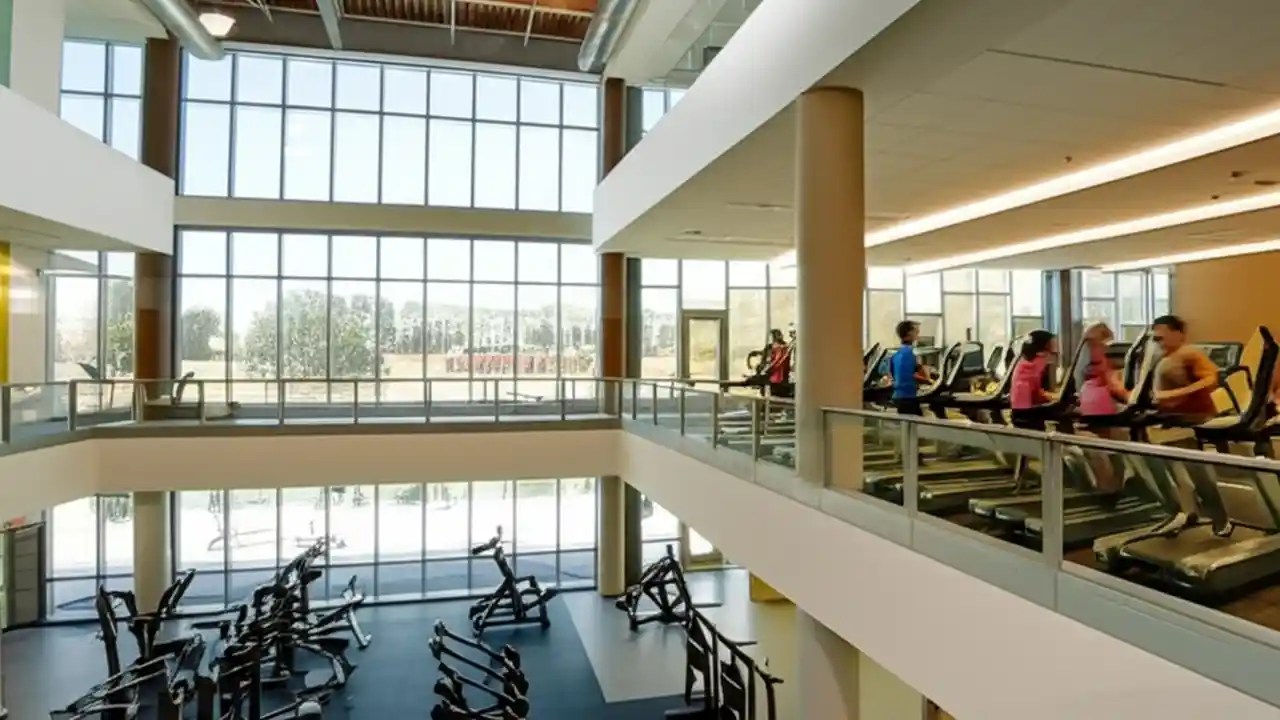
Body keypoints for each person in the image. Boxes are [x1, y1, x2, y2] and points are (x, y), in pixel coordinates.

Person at [1151, 315, 1219, 424]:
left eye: (1162, 331)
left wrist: (1178, 393)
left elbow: (1211, 379)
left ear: (1178, 334)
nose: (1157, 336)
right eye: (1156, 331)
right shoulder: (1161, 356)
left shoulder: (1190, 353)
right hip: (1166, 415)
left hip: (1190, 417)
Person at [1010, 330, 1058, 430]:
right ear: (1040, 353)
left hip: (1025, 414)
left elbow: (1037, 392)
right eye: (1051, 352)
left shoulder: (1025, 367)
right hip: (1026, 418)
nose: (1052, 357)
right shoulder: (1029, 370)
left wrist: (1051, 396)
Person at [1078, 322, 1130, 416]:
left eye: (1094, 345)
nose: (1089, 350)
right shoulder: (1086, 370)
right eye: (1089, 345)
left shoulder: (1112, 370)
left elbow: (1125, 394)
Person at [889, 320, 931, 415]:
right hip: (907, 398)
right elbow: (912, 375)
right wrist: (929, 381)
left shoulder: (897, 354)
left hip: (899, 396)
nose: (918, 333)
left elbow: (893, 374)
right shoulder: (909, 353)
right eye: (916, 331)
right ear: (909, 333)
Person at [765, 328, 793, 398]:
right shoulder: (784, 347)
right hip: (781, 378)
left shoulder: (779, 348)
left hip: (777, 379)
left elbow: (776, 361)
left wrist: (767, 369)